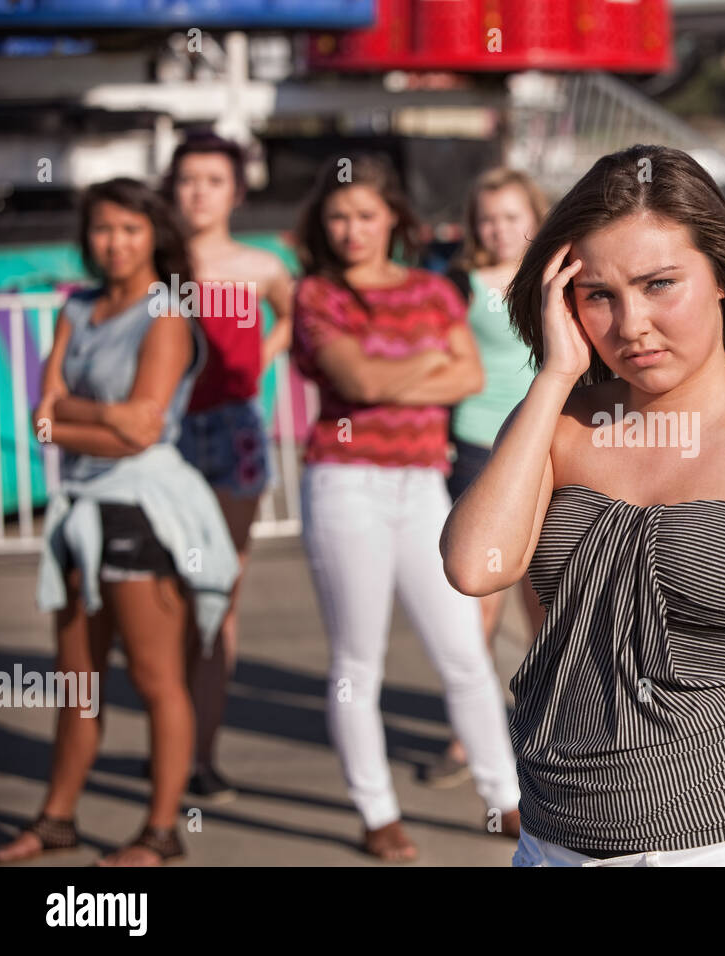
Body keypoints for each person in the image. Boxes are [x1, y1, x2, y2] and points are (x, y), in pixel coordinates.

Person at [440, 144, 725, 867]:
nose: (632, 325)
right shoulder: (560, 424)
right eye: (600, 294)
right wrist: (553, 378)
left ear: (722, 279)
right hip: (549, 844)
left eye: (658, 284)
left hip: (722, 845)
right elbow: (472, 565)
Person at [0, 178, 237, 866]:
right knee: (77, 680)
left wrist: (82, 415)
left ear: (153, 234)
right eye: (104, 229)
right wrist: (104, 418)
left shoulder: (165, 312)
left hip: (144, 510)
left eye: (130, 229)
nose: (115, 243)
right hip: (79, 513)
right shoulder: (75, 307)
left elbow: (142, 431)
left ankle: (161, 833)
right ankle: (56, 820)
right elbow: (44, 418)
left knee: (158, 680)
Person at [290, 153, 522, 861]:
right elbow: (356, 381)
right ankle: (376, 810)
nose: (352, 229)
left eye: (365, 214)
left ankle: (505, 797)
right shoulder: (315, 296)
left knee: (463, 651)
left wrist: (391, 375)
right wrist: (422, 365)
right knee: (358, 660)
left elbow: (470, 375)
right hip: (345, 481)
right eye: (338, 216)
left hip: (423, 481)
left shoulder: (432, 288)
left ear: (393, 216)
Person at [163, 131, 295, 802]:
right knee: (164, 600)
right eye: (188, 179)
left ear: (236, 191)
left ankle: (199, 757)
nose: (199, 193)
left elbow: (300, 315)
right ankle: (170, 749)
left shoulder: (260, 264)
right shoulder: (156, 261)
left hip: (234, 433)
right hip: (165, 434)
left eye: (213, 180)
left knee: (219, 597)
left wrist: (262, 357)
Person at [420, 167, 551, 789]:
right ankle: (466, 736)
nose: (499, 229)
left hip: (550, 445)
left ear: (535, 215)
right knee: (478, 600)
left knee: (550, 604)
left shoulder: (560, 277)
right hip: (479, 447)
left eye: (511, 215)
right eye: (488, 217)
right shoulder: (459, 283)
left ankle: (548, 730)